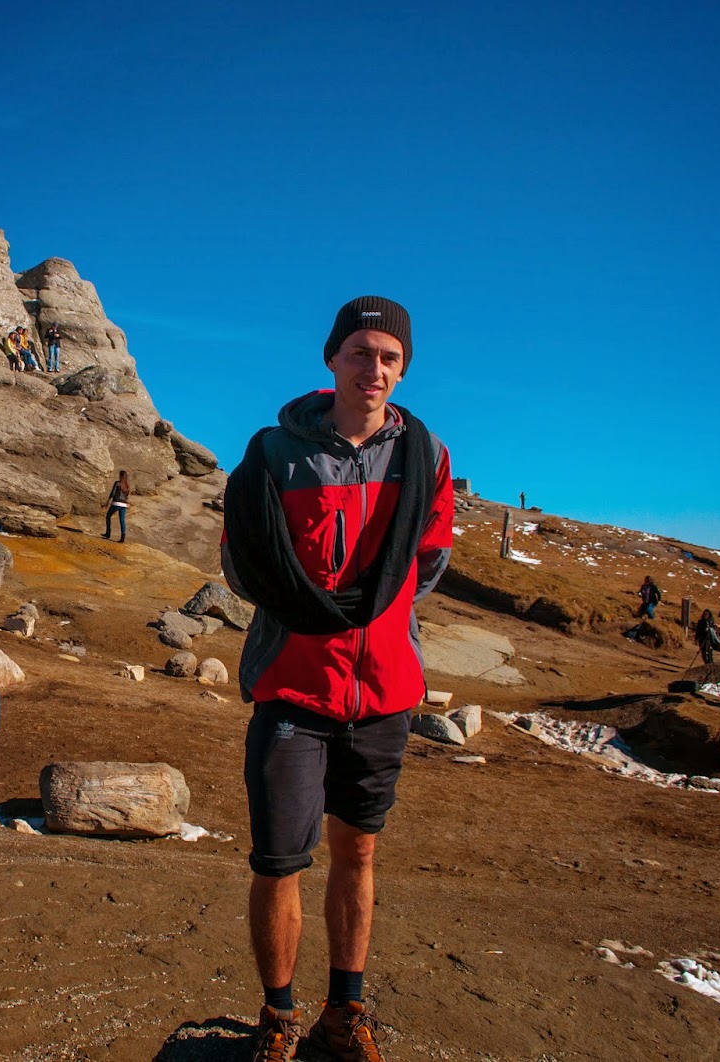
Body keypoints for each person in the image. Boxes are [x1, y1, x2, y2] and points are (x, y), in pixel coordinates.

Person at [222, 295, 454, 1062]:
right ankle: (278, 1016)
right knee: (280, 862)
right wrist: (315, 613)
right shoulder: (273, 455)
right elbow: (246, 563)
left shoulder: (426, 455)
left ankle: (342, 1011)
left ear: (402, 369)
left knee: (358, 853)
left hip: (383, 693)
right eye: (361, 352)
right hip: (293, 687)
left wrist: (370, 620)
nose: (375, 369)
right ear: (332, 358)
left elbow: (427, 560)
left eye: (390, 358)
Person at [103, 471, 131, 543]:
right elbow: (126, 496)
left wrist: (107, 502)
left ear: (120, 476)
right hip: (123, 504)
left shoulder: (117, 483)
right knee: (122, 520)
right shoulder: (127, 485)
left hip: (116, 503)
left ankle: (108, 533)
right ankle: (122, 538)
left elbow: (112, 493)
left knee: (108, 516)